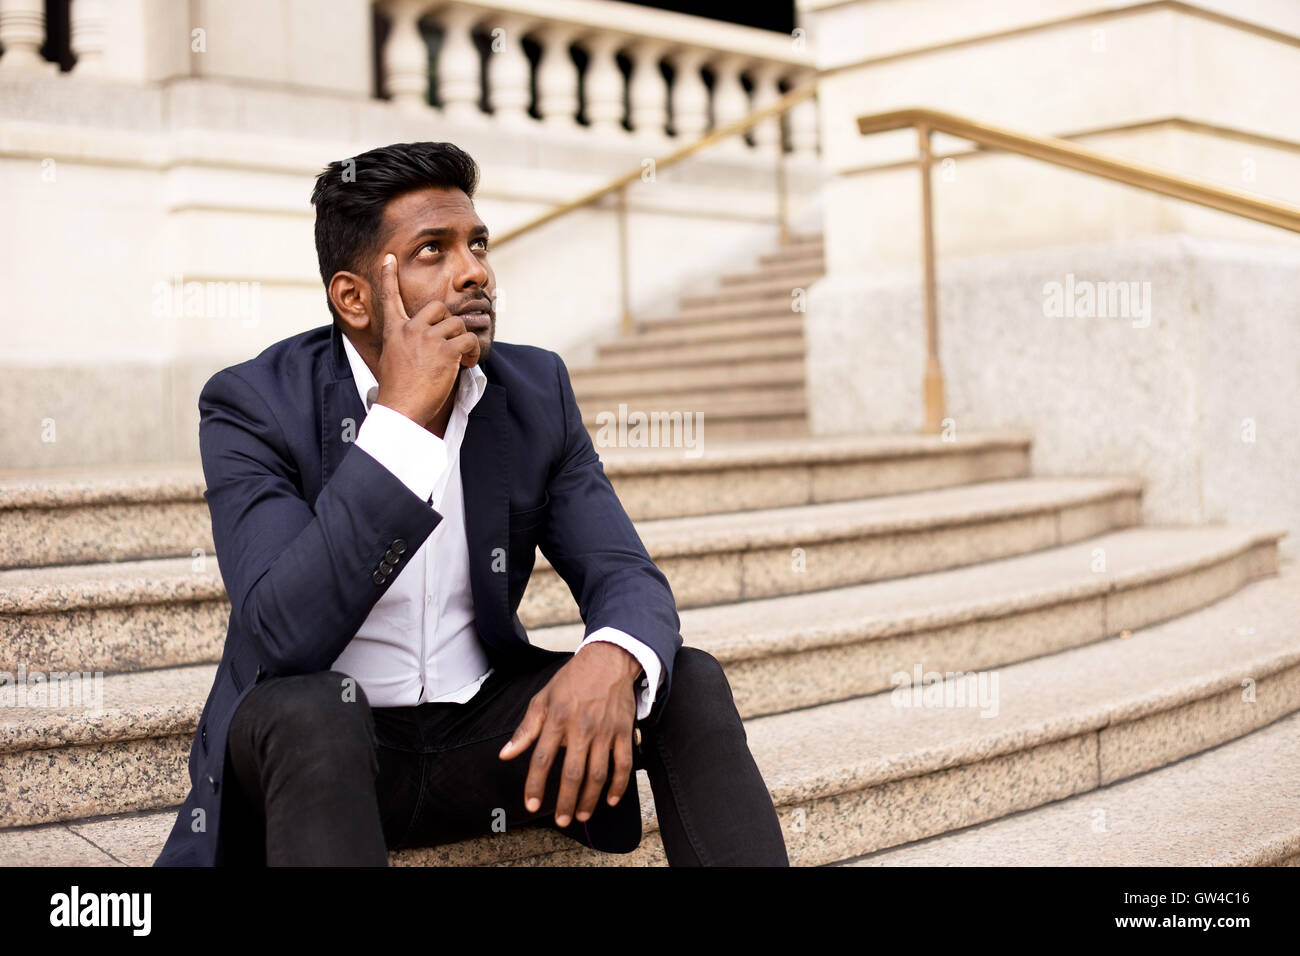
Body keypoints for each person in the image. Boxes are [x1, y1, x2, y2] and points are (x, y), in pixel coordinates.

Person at [153, 141, 788, 867]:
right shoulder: (256, 404)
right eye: (434, 250)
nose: (475, 270)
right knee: (313, 708)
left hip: (487, 744)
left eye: (476, 242)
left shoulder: (533, 390)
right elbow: (281, 633)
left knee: (682, 675)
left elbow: (624, 573)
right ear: (353, 297)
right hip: (322, 762)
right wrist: (398, 425)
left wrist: (611, 654)